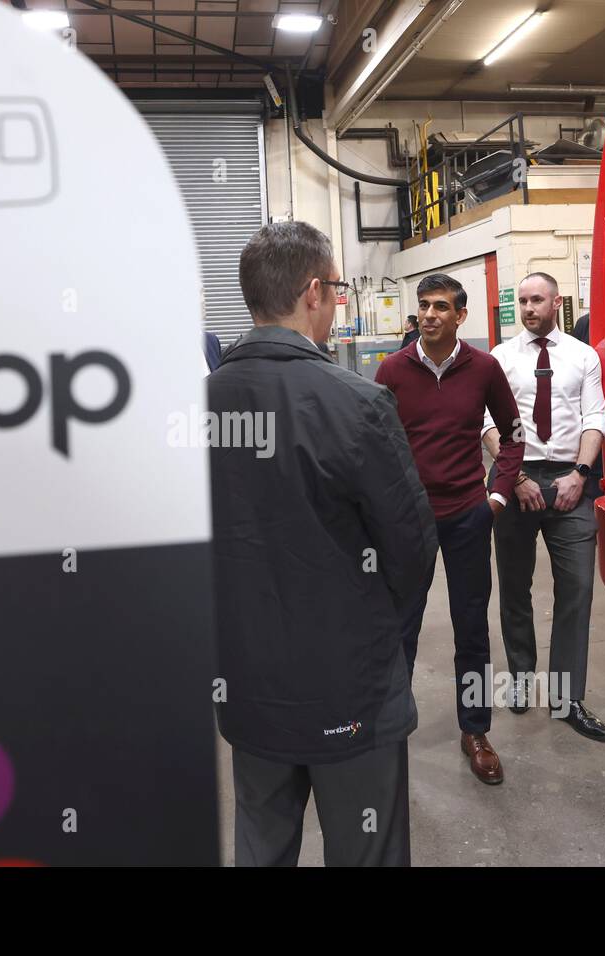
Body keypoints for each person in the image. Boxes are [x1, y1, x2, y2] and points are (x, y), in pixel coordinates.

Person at [208, 221, 437, 866]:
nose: (337, 302)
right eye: (336, 289)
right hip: (350, 688)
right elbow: (411, 548)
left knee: (261, 841)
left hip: (247, 687)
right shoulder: (358, 402)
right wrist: (377, 637)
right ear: (314, 292)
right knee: (366, 849)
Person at [375, 274, 524, 785]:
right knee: (400, 628)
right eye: (423, 306)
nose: (430, 314)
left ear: (462, 316)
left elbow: (513, 435)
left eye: (441, 306)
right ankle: (388, 731)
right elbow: (373, 442)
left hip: (467, 515)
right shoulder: (392, 370)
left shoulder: (483, 368)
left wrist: (498, 494)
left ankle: (475, 730)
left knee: (471, 629)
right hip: (410, 521)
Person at [482, 272, 605, 741]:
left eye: (537, 299)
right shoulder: (499, 357)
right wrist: (515, 478)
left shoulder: (583, 357)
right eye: (522, 300)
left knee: (576, 589)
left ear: (557, 302)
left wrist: (580, 474)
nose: (529, 308)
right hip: (515, 480)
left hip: (571, 480)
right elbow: (487, 423)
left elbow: (595, 416)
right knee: (515, 586)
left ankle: (567, 697)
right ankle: (520, 679)